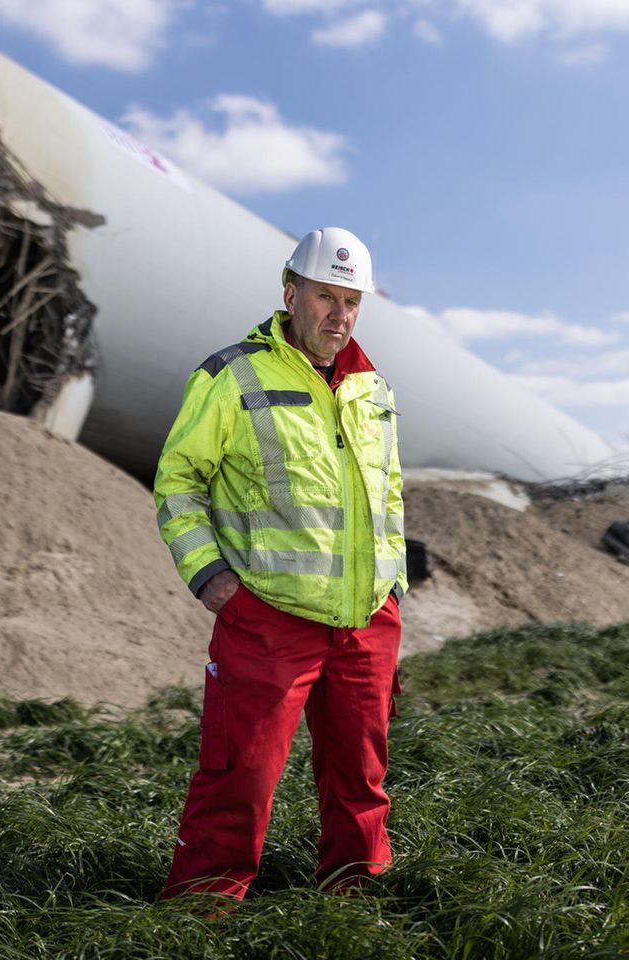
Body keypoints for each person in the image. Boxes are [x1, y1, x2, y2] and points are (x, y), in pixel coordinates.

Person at [155, 226, 407, 899]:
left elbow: (388, 494)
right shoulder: (232, 375)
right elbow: (179, 481)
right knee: (241, 774)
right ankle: (202, 912)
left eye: (351, 301)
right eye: (326, 295)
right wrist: (211, 577)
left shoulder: (373, 389)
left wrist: (394, 591)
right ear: (290, 293)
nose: (339, 314)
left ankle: (352, 897)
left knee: (362, 776)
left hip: (365, 621)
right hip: (268, 618)